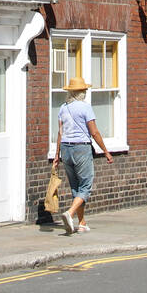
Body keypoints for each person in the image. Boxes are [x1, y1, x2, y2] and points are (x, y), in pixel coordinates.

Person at [53, 74, 113, 234]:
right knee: (85, 186)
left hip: (66, 149)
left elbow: (60, 133)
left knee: (76, 188)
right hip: (81, 148)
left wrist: (56, 155)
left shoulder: (63, 108)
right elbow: (94, 132)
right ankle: (69, 213)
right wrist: (106, 151)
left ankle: (82, 223)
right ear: (81, 93)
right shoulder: (85, 107)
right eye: (84, 90)